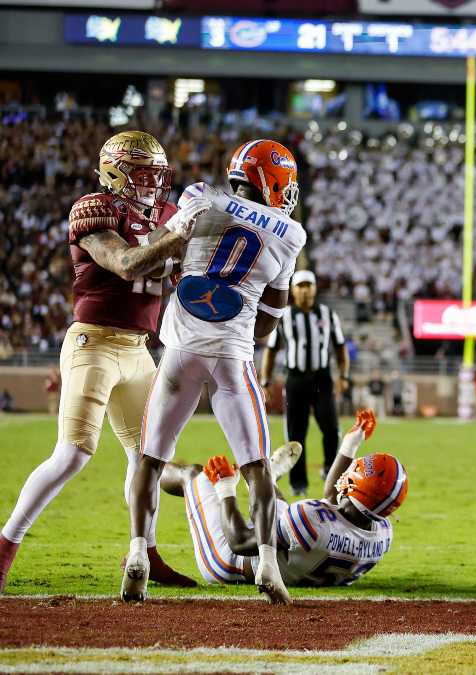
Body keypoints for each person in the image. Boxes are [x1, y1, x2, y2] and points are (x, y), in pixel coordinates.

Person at [0, 131, 198, 594]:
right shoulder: (95, 208)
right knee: (71, 454)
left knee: (147, 457)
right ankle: (5, 547)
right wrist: (181, 233)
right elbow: (128, 264)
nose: (152, 183)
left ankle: (144, 553)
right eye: (142, 173)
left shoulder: (168, 214)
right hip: (94, 343)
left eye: (157, 174)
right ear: (115, 173)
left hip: (139, 349)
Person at [126, 139, 307, 605]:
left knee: (149, 460)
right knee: (258, 469)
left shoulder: (198, 195)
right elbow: (269, 320)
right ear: (273, 183)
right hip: (232, 357)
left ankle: (138, 555)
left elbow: (159, 257)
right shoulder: (290, 233)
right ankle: (267, 563)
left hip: (179, 351)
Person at [156, 411, 401, 588]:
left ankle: (146, 471)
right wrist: (350, 444)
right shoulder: (383, 533)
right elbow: (331, 501)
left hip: (232, 561)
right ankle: (268, 478)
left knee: (194, 475)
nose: (348, 474)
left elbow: (239, 540)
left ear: (357, 488)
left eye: (354, 473)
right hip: (302, 558)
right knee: (280, 514)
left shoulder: (310, 519)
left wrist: (225, 488)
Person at [260, 270, 350, 496]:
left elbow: (340, 347)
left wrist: (344, 375)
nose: (305, 290)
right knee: (296, 433)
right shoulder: (285, 316)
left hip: (322, 377)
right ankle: (298, 484)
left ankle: (330, 468)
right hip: (296, 379)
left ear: (315, 289)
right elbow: (270, 352)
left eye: (309, 285)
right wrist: (266, 381)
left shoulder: (327, 314)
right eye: (300, 286)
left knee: (331, 427)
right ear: (293, 290)